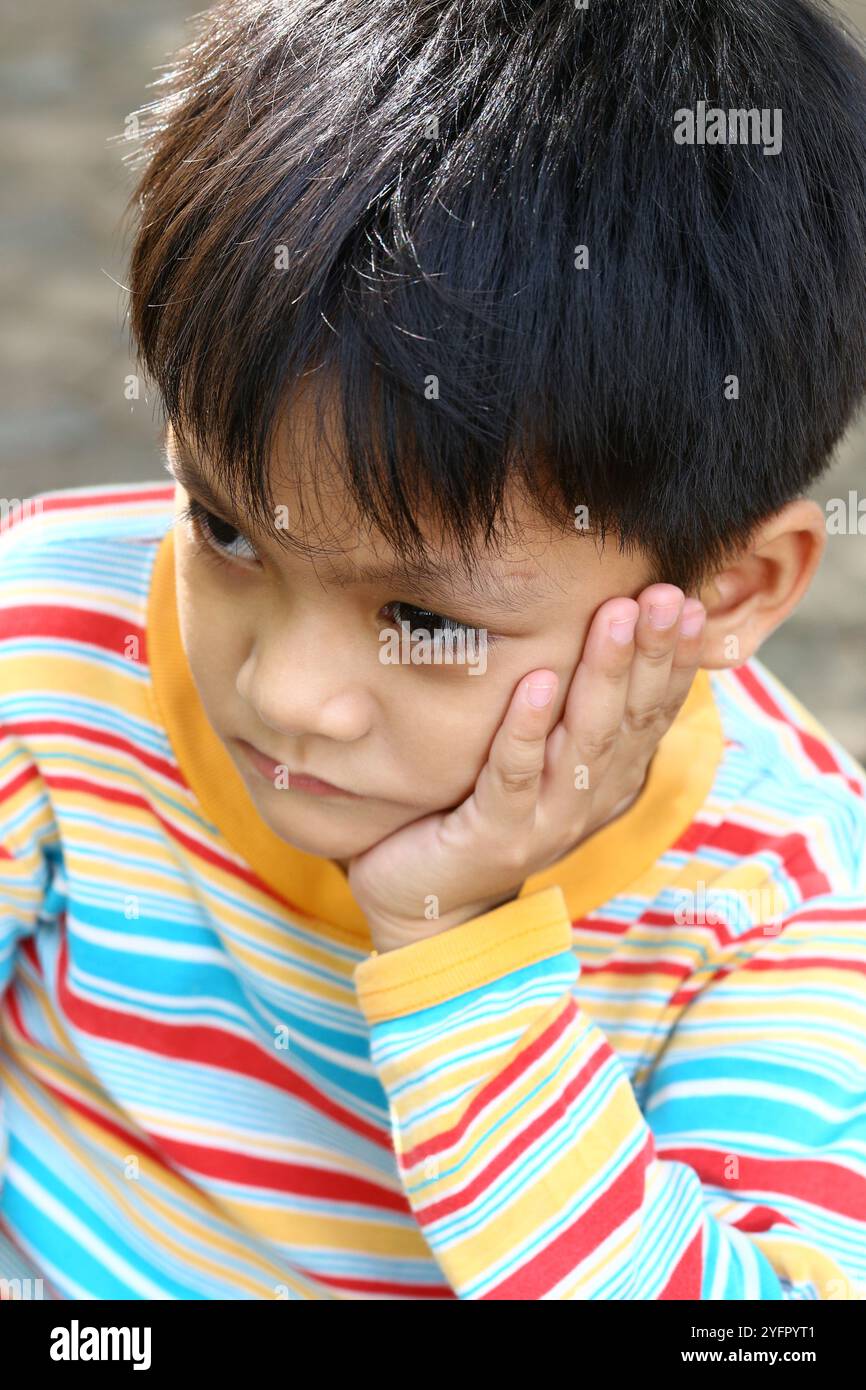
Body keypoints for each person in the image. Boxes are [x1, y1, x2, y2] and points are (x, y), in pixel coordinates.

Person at [1, 0, 866, 1299]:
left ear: (732, 585)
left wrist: (453, 940)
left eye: (423, 619)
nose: (283, 694)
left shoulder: (774, 902)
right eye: (226, 528)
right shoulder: (53, 638)